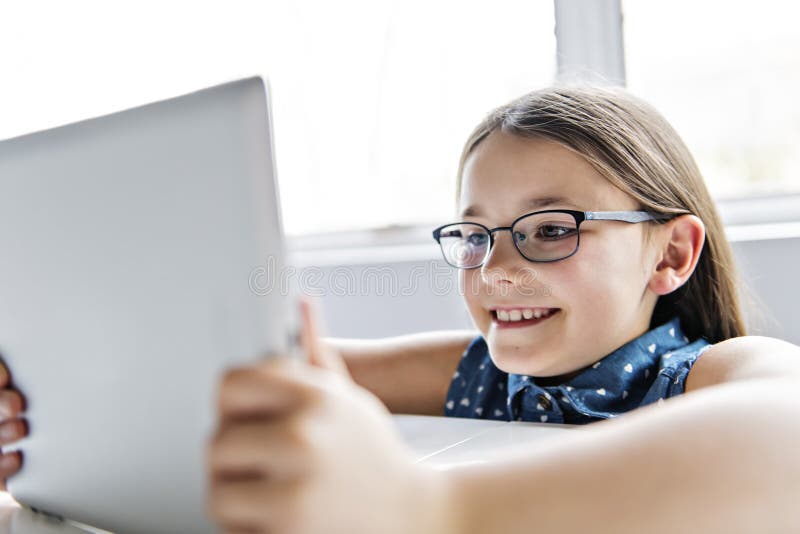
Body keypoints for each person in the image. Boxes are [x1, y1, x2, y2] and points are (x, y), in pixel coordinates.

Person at [2, 86, 800, 532]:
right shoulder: (479, 373)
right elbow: (260, 374)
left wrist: (427, 506)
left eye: (551, 230)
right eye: (476, 236)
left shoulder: (699, 375)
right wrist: (50, 398)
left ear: (670, 254)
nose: (499, 270)